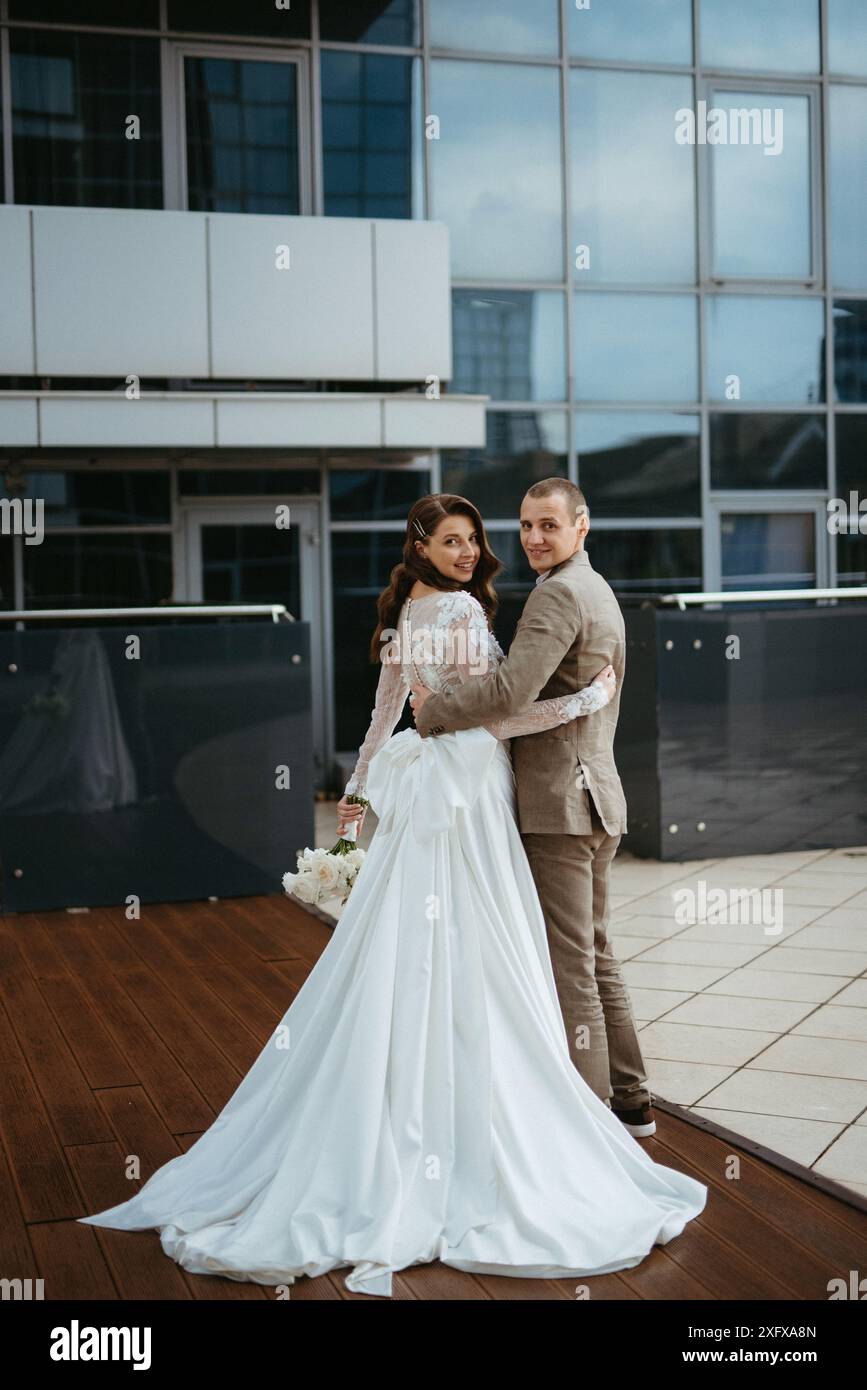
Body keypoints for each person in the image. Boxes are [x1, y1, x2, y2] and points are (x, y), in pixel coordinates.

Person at [77, 493, 706, 1298]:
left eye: (475, 540)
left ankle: (464, 1099)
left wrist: (354, 803)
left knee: (415, 947)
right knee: (501, 947)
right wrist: (581, 703)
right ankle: (563, 1112)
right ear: (422, 545)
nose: (472, 553)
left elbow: (386, 719)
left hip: (423, 794)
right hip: (469, 790)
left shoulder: (406, 613)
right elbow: (483, 716)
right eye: (454, 541)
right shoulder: (458, 612)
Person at [408, 478, 655, 1134]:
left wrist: (435, 714)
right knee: (595, 951)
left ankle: (589, 1121)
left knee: (570, 962)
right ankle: (630, 1100)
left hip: (559, 805)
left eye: (548, 525)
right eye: (524, 526)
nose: (533, 538)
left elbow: (511, 691)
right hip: (595, 797)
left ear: (581, 524)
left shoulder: (559, 595)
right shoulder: (596, 588)